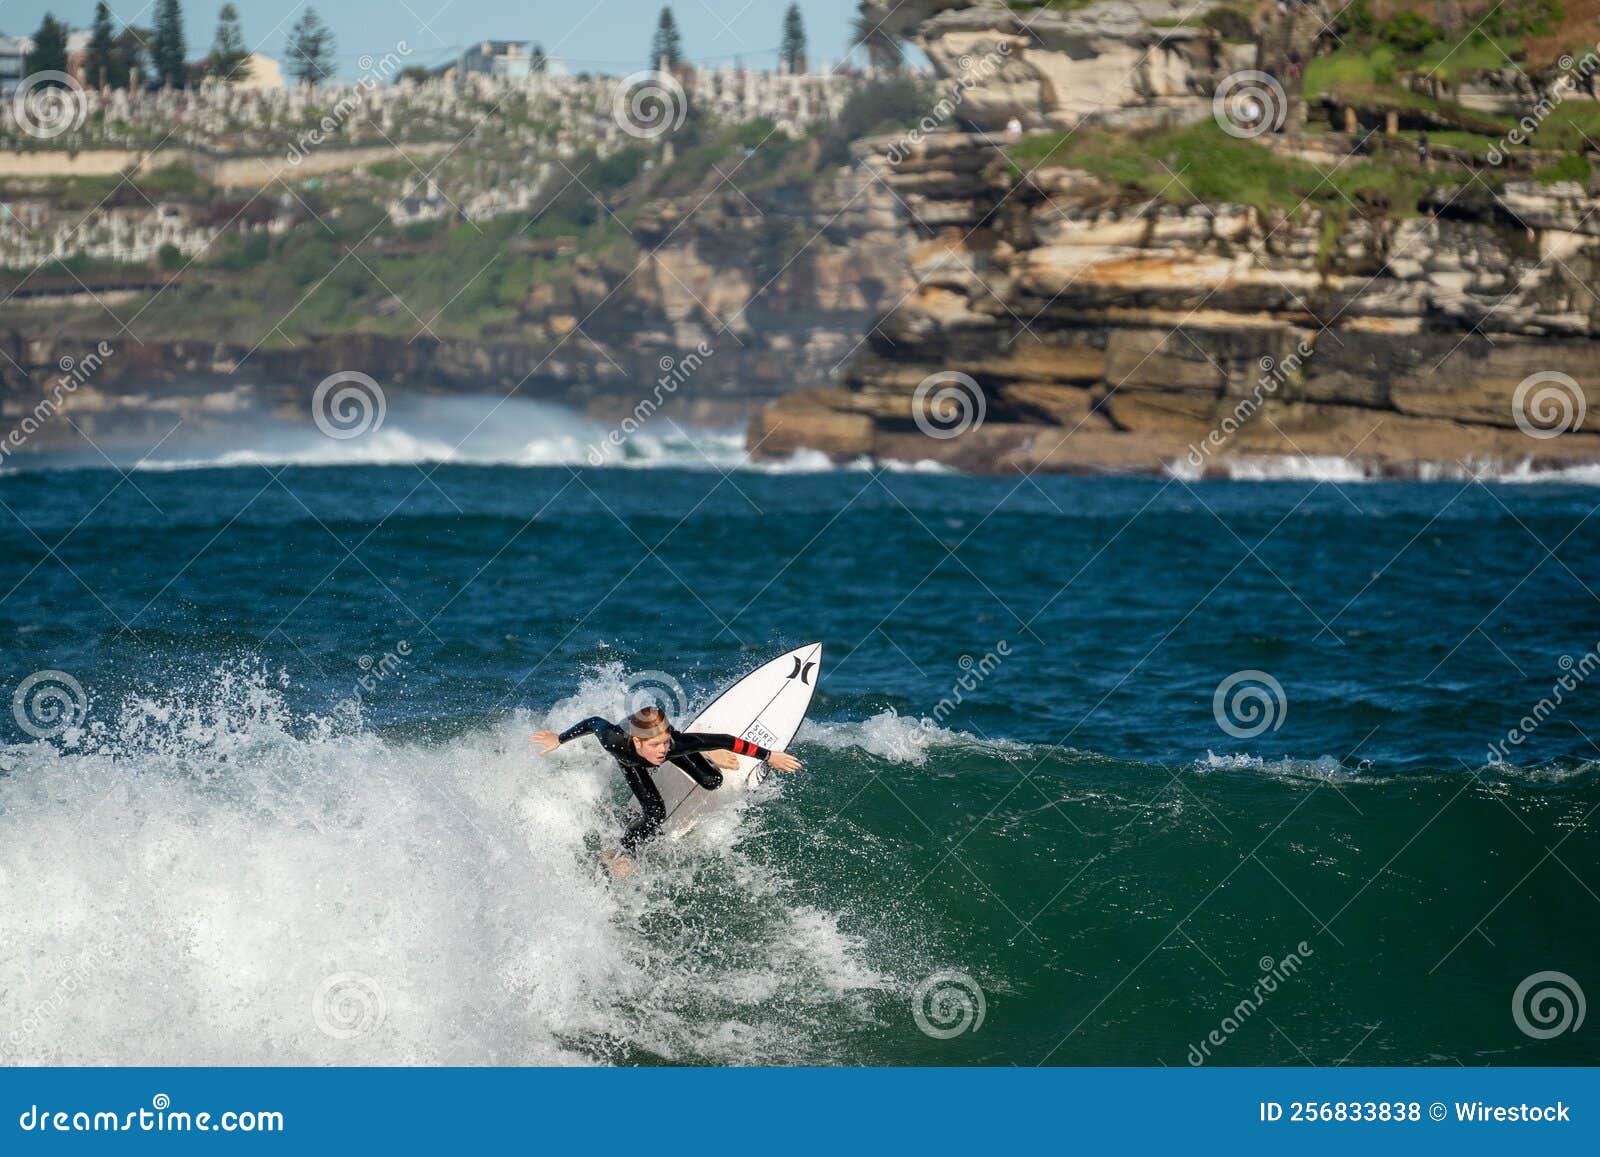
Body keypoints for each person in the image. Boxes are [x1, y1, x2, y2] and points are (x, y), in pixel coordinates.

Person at [530, 706, 802, 877]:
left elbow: (728, 740)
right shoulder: (614, 741)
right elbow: (593, 721)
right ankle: (622, 854)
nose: (663, 748)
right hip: (632, 761)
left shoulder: (671, 745)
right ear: (636, 741)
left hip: (668, 747)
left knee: (712, 781)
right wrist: (560, 738)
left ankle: (710, 755)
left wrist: (769, 756)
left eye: (664, 742)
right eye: (657, 744)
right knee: (655, 812)